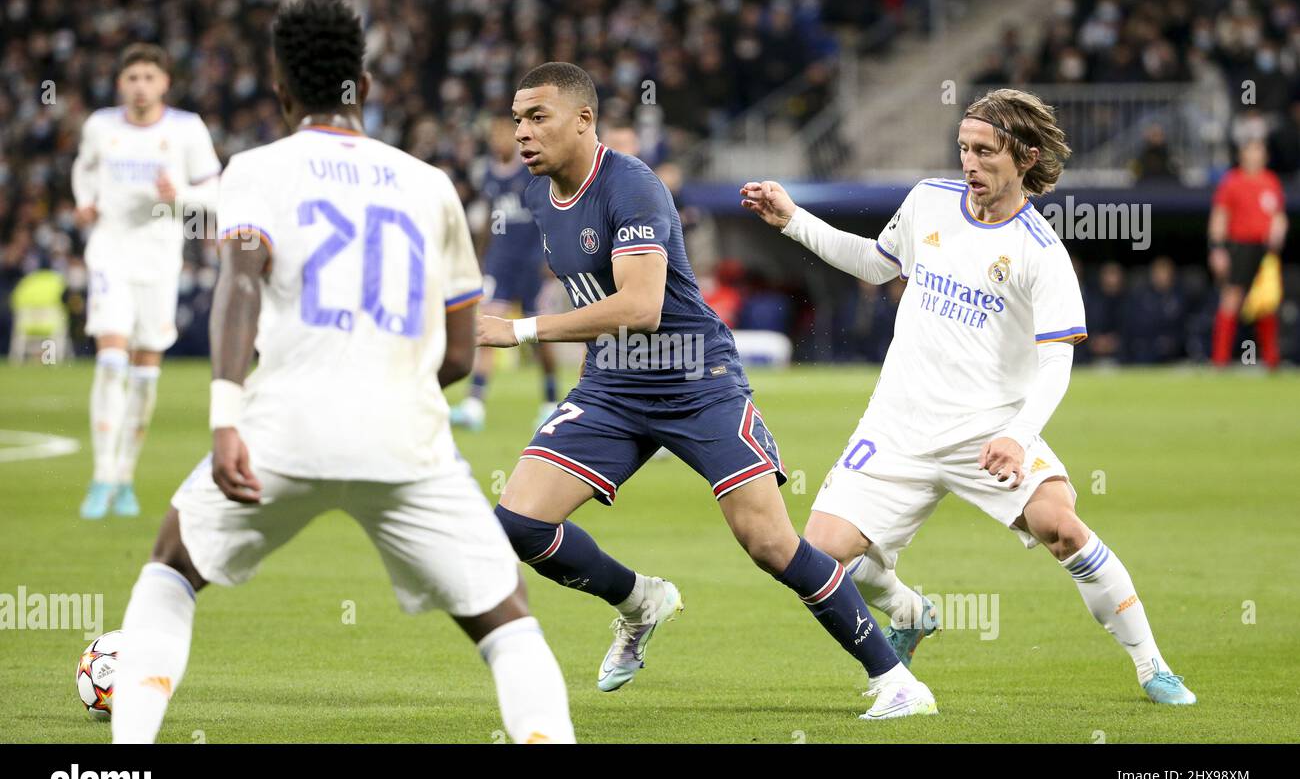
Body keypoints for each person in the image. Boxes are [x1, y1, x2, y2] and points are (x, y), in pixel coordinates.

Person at [109, 0, 574, 745]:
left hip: (280, 429)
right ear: (364, 80)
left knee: (171, 567)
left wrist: (227, 413)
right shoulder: (429, 184)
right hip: (405, 437)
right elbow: (460, 351)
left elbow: (240, 284)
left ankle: (125, 770)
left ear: (281, 88)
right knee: (505, 620)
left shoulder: (255, 169)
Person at [478, 61, 937, 720]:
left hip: (696, 379)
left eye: (537, 116)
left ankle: (896, 681)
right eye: (518, 117)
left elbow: (641, 305)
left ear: (584, 119)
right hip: (612, 385)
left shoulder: (632, 186)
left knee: (769, 543)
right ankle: (640, 600)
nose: (522, 131)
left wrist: (519, 331)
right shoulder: (534, 197)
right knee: (518, 522)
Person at [741, 88, 1196, 705]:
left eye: (985, 152)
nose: (970, 164)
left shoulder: (1042, 253)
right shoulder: (929, 202)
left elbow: (1057, 359)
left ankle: (1151, 665)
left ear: (1026, 158)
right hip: (899, 424)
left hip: (989, 431)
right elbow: (877, 264)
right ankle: (908, 610)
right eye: (964, 149)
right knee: (818, 559)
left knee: (1061, 527)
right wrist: (794, 219)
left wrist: (1019, 435)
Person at [71, 43, 221, 518]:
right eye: (132, 76)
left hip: (159, 260)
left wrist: (179, 197)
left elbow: (215, 194)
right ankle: (102, 476)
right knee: (112, 360)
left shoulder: (186, 129)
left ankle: (125, 476)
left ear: (165, 84)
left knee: (144, 370)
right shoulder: (100, 127)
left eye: (149, 77)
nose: (140, 85)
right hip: (110, 253)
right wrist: (85, 200)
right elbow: (83, 168)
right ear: (120, 83)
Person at [450, 117, 560, 432]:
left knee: (539, 334)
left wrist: (550, 256)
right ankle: (474, 403)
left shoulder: (531, 172)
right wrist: (481, 257)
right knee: (487, 323)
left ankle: (550, 399)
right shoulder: (488, 175)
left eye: (503, 135)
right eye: (494, 135)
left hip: (531, 262)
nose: (499, 141)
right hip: (500, 262)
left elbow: (548, 215)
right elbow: (488, 218)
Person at [1208, 139, 1287, 369]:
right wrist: (1217, 248)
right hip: (1239, 247)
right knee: (1232, 299)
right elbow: (1219, 216)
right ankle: (1220, 361)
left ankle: (1272, 361)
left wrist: (1279, 231)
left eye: (1259, 151)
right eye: (1251, 151)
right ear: (1242, 155)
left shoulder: (1271, 181)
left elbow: (1278, 215)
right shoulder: (1232, 182)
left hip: (1265, 250)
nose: (1255, 156)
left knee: (1267, 301)